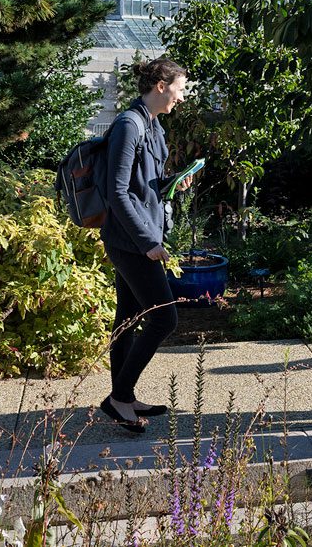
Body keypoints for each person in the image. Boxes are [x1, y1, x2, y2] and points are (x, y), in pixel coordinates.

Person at [99, 58, 191, 433]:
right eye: (180, 89)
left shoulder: (153, 125)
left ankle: (124, 395)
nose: (181, 97)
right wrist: (149, 242)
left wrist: (172, 182)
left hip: (139, 236)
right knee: (164, 318)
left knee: (128, 318)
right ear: (160, 86)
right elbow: (117, 193)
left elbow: (143, 185)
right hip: (131, 242)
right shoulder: (128, 125)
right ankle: (119, 396)